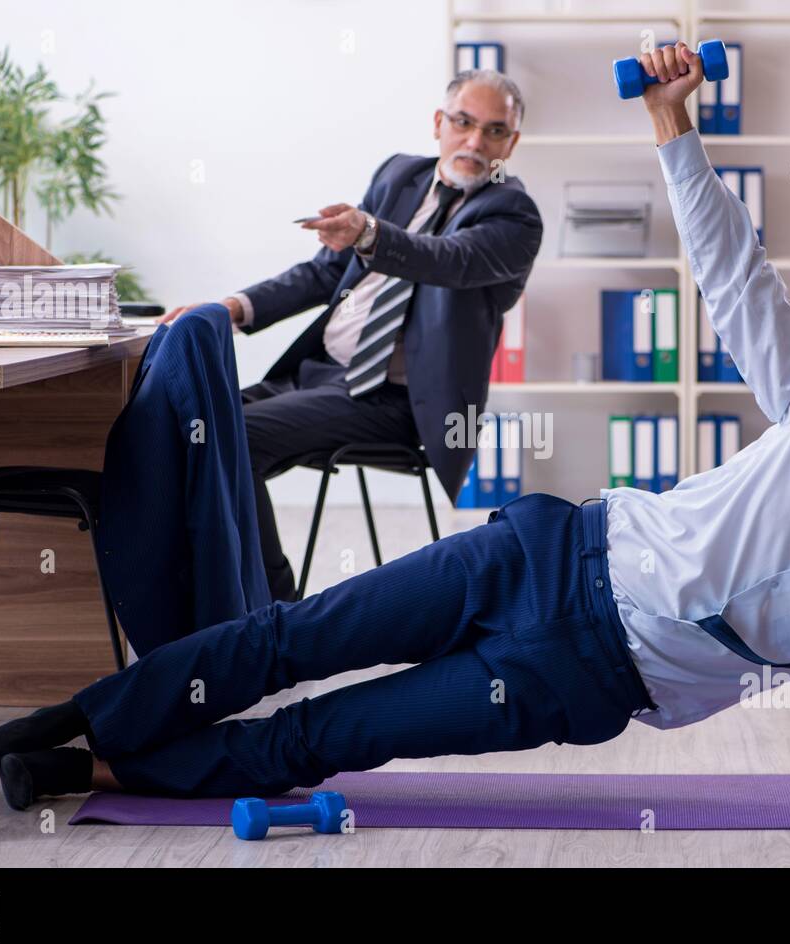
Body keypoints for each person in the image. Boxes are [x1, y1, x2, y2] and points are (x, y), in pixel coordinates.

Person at [0, 42, 790, 825]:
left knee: (335, 735)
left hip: (583, 677)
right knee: (298, 639)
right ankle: (72, 716)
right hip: (545, 550)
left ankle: (94, 771)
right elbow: (735, 278)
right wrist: (673, 123)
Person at [162, 69, 543, 602]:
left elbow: (447, 261)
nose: (476, 142)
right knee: (184, 421)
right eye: (464, 122)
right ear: (439, 123)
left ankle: (275, 615)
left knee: (234, 436)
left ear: (513, 142)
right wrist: (230, 308)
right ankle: (201, 602)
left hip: (395, 402)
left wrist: (369, 233)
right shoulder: (399, 176)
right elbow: (323, 273)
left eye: (495, 131)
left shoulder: (514, 216)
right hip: (319, 377)